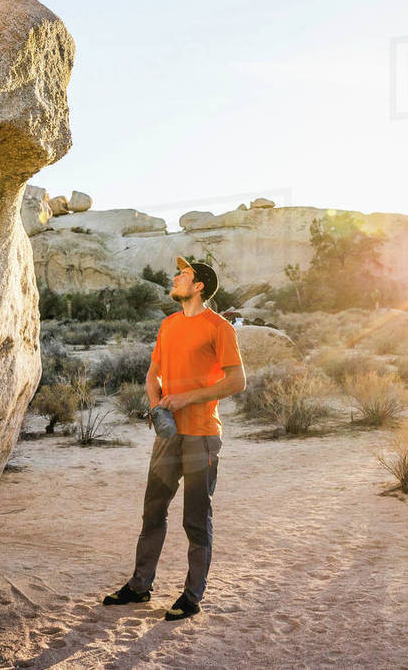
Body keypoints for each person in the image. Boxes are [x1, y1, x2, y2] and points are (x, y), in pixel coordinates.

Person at [101, 256, 245, 621]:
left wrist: (186, 398)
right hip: (169, 435)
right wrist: (156, 405)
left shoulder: (220, 328)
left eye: (184, 274)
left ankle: (192, 596)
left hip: (202, 435)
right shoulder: (168, 325)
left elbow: (236, 381)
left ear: (199, 287)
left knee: (196, 520)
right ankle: (139, 586)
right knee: (153, 512)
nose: (177, 277)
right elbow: (153, 373)